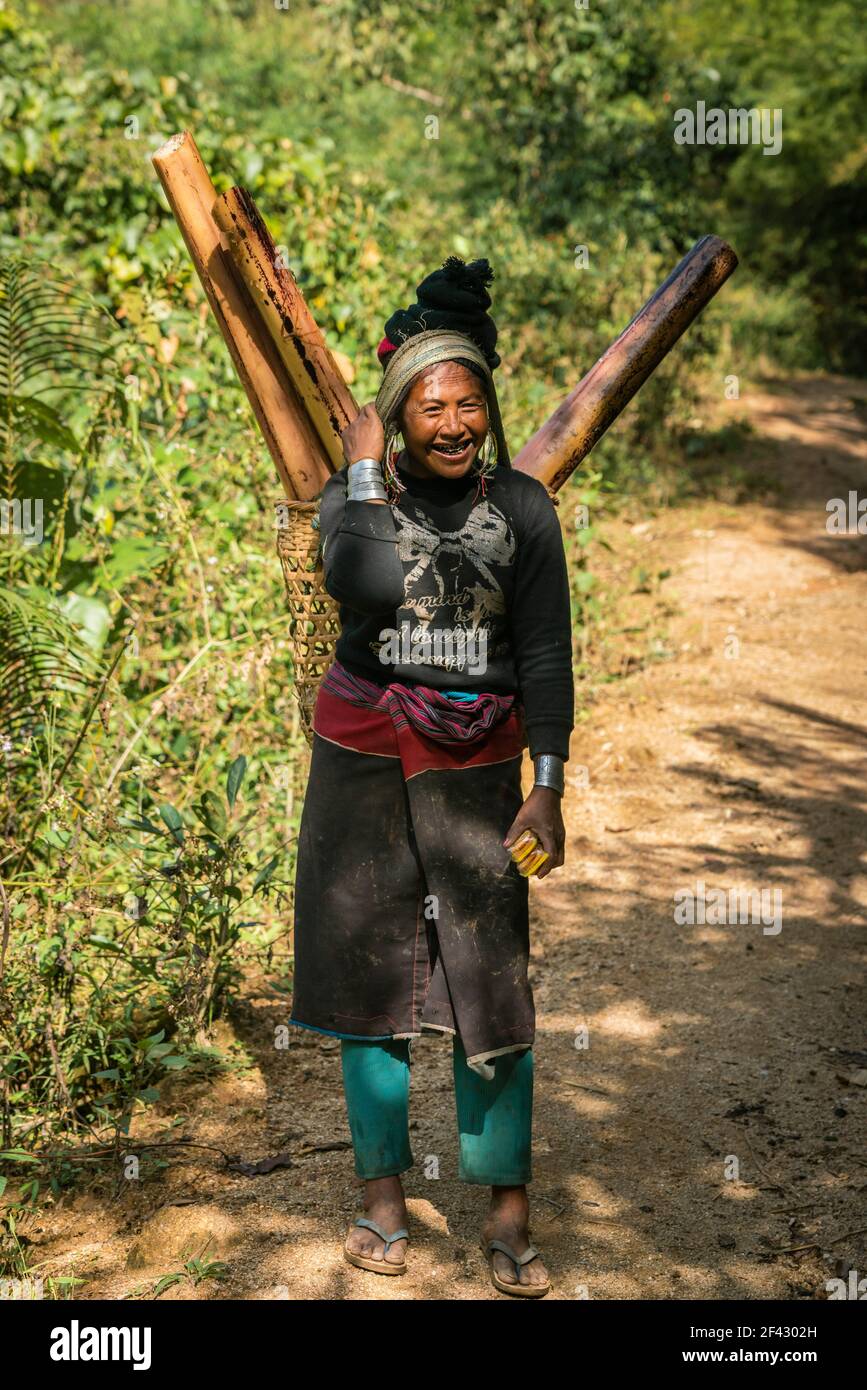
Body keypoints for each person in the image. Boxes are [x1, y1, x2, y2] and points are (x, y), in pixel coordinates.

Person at [290, 257, 574, 1296]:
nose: (453, 422)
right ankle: (382, 1206)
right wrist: (363, 469)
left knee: (489, 978)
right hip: (363, 747)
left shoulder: (526, 511)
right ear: (398, 420)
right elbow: (363, 581)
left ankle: (506, 1214)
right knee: (366, 974)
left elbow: (544, 651)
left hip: (485, 759)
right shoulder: (353, 500)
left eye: (469, 403)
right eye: (429, 406)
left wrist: (548, 781)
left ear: (491, 410)